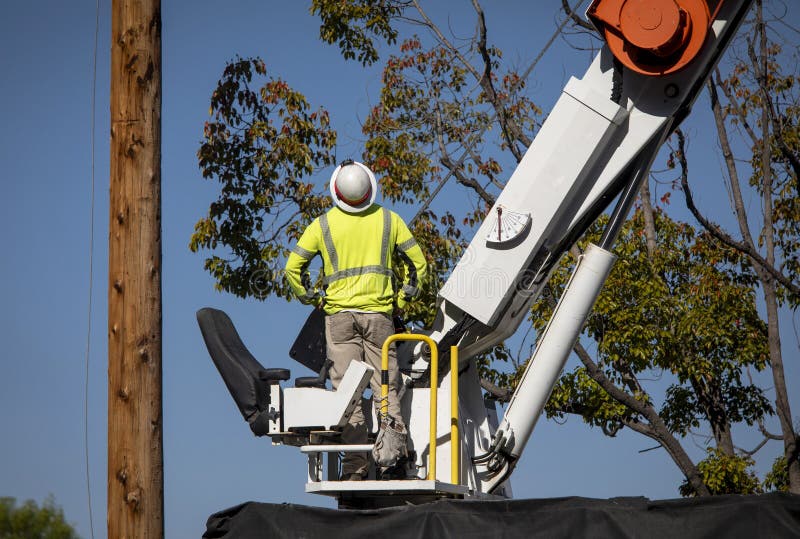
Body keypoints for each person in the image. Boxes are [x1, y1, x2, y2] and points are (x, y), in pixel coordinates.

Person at [284, 159, 427, 480]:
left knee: (347, 393)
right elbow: (420, 266)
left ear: (336, 191)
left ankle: (355, 467)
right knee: (384, 387)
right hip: (379, 319)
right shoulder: (389, 221)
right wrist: (401, 301)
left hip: (339, 319)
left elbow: (292, 269)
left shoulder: (322, 226)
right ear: (368, 191)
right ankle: (391, 461)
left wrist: (313, 298)